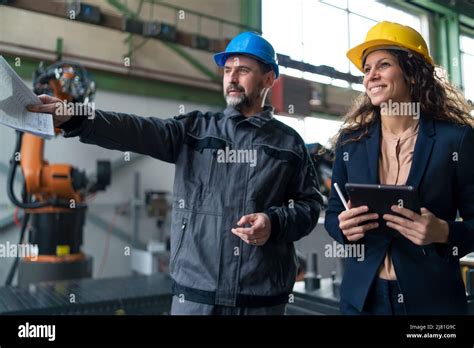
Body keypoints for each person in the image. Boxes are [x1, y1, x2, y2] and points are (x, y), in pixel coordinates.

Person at [27, 32, 324, 315]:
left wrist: (273, 222)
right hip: (196, 298)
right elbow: (135, 129)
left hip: (261, 301)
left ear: (268, 78)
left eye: (243, 70)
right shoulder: (193, 130)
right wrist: (75, 115)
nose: (231, 78)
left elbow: (309, 206)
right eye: (227, 70)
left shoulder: (289, 144)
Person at [324, 21, 474, 315]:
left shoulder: (455, 140)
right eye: (366, 69)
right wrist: (343, 227)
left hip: (431, 301)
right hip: (363, 299)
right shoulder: (351, 142)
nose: (371, 76)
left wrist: (443, 231)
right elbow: (332, 213)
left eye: (383, 65)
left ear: (412, 73)